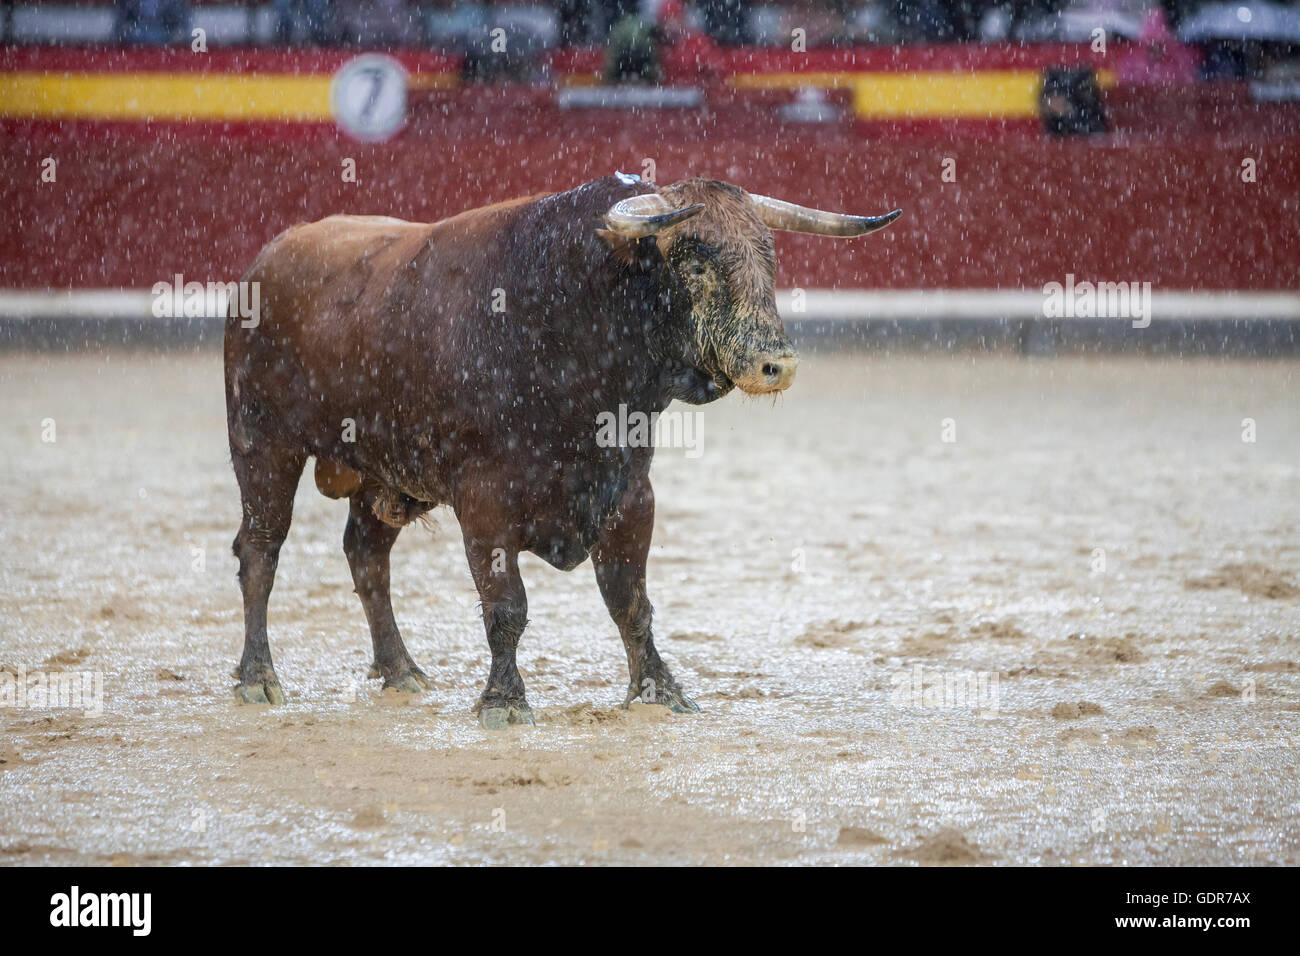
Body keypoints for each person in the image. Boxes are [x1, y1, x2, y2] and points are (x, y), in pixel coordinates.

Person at [1115, 6, 1199, 86]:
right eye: (1151, 44)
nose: (1155, 48)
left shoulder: (1179, 63)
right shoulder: (1132, 64)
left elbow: (1188, 86)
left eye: (1159, 44)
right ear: (1145, 44)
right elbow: (1124, 87)